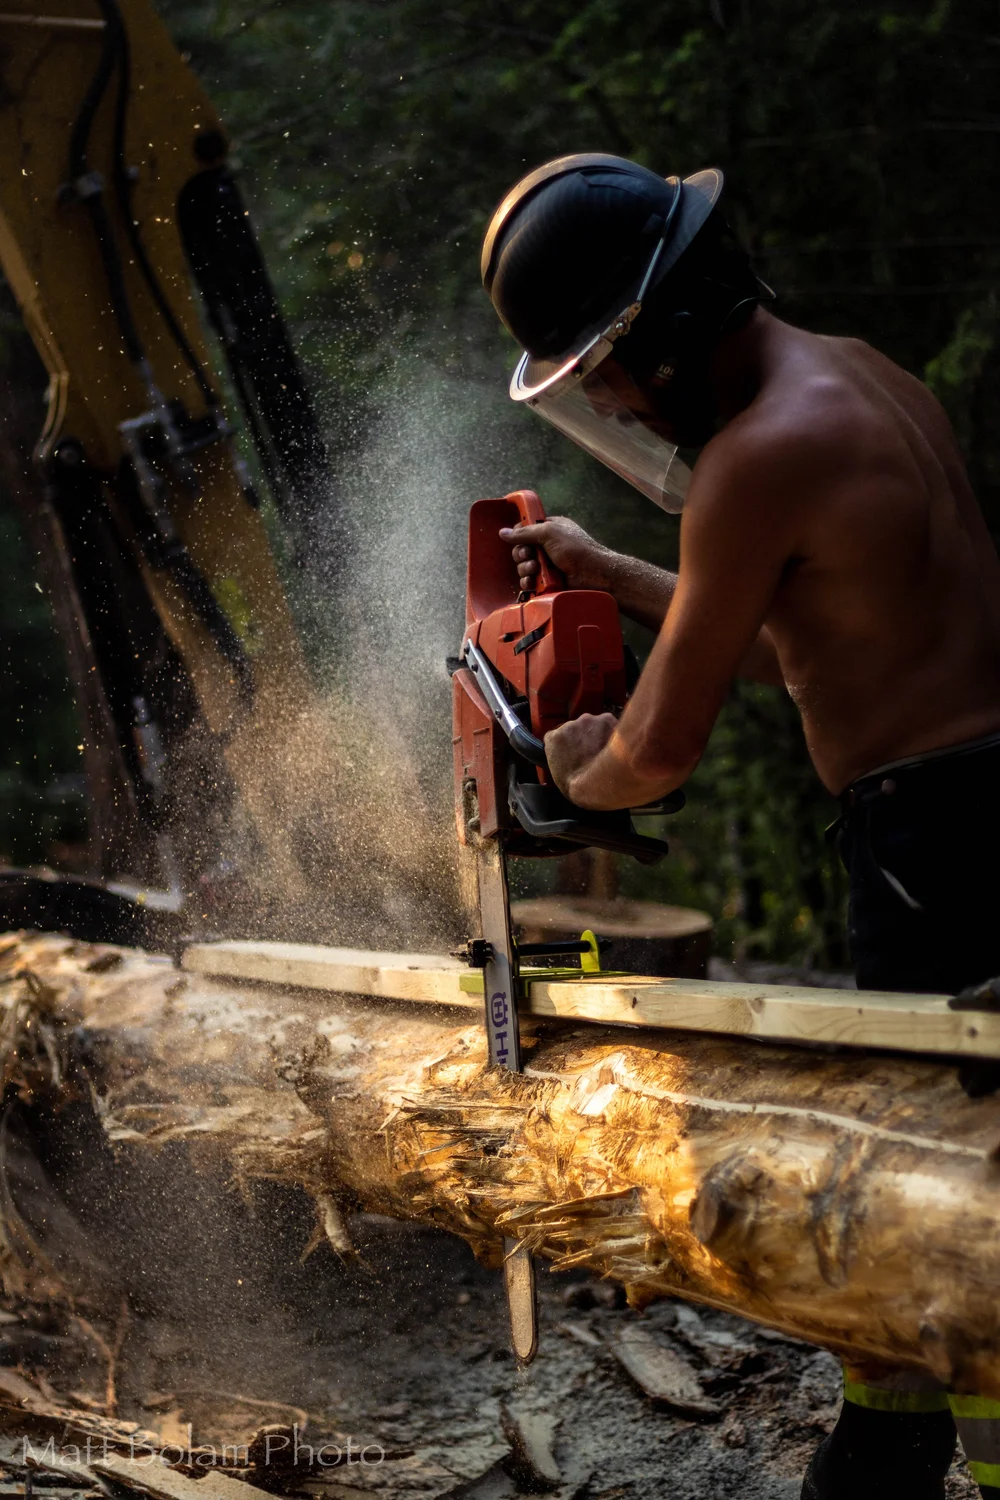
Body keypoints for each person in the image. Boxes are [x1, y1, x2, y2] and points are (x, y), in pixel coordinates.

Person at [481, 153, 1000, 1500]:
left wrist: (568, 776)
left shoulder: (759, 458)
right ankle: (893, 1429)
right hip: (969, 804)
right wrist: (615, 580)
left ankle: (933, 1451)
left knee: (940, 1176)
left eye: (606, 367)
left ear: (666, 328)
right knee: (925, 1142)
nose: (608, 397)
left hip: (933, 841)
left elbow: (659, 751)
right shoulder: (863, 376)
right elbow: (809, 647)